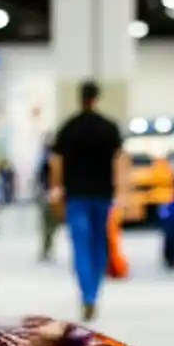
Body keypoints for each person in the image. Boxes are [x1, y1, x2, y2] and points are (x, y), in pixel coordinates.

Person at [49, 81, 130, 321]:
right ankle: (94, 292)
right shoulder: (109, 127)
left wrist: (56, 190)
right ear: (97, 98)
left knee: (81, 245)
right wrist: (123, 192)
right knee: (99, 244)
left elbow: (57, 163)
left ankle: (86, 295)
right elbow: (119, 162)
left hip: (76, 196)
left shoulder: (68, 127)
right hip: (102, 195)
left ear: (80, 98)